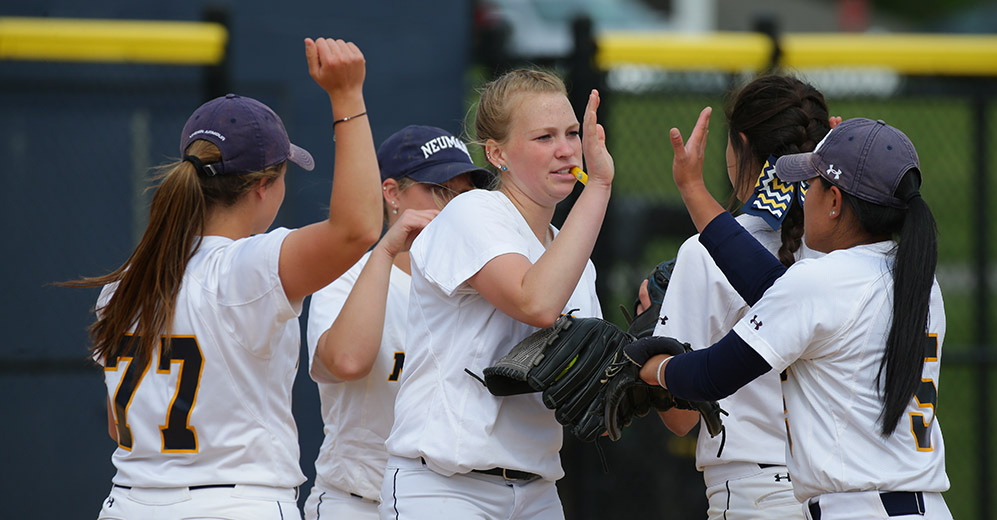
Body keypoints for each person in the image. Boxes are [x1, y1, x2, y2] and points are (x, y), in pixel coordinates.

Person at [68, 38, 383, 519]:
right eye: (281, 177)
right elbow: (358, 229)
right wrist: (347, 97)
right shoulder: (246, 267)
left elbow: (120, 423)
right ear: (262, 186)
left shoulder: (128, 280)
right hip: (233, 502)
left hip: (129, 502)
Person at [634, 112, 952, 519]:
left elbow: (713, 373)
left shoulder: (821, 283)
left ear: (835, 202)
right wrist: (694, 191)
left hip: (857, 508)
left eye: (812, 184)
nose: (803, 195)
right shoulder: (916, 279)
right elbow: (771, 287)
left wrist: (649, 368)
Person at [378, 69, 613, 520]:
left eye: (570, 133)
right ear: (497, 152)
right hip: (445, 489)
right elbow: (535, 302)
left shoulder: (571, 250)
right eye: (544, 137)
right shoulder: (473, 211)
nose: (566, 149)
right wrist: (598, 185)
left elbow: (586, 386)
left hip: (537, 490)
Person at [644, 75, 835, 519]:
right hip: (845, 491)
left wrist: (652, 335)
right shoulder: (851, 251)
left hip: (756, 493)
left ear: (740, 145)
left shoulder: (703, 253)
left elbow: (680, 418)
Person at [302, 125, 493, 519]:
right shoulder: (347, 277)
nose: (455, 206)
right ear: (391, 193)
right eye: (441, 190)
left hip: (449, 504)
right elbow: (343, 362)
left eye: (466, 193)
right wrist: (388, 249)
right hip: (358, 502)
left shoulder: (487, 284)